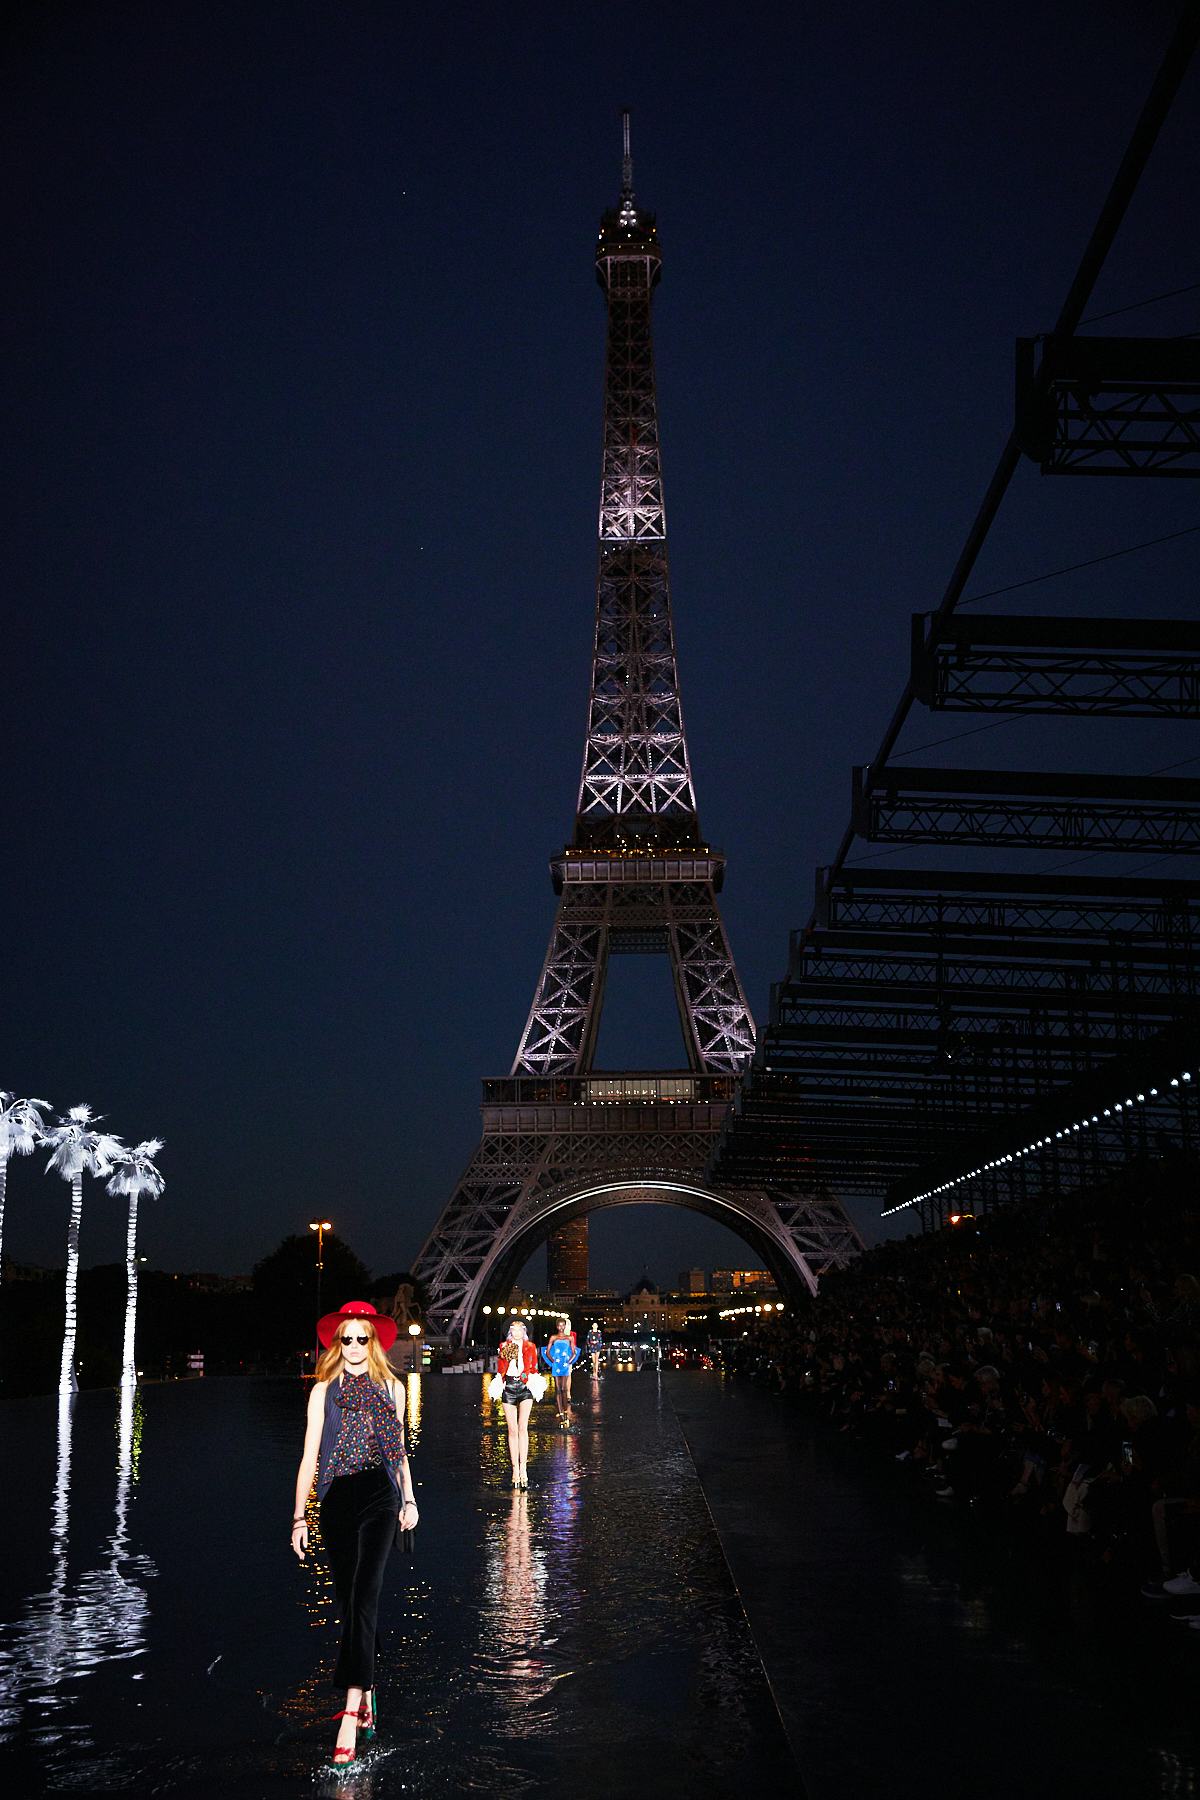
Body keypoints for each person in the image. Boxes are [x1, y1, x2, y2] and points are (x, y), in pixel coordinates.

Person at [291, 1300, 419, 1768]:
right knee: (348, 1602)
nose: (354, 1345)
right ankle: (367, 1688)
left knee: (366, 1595)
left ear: (375, 1341)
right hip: (336, 1498)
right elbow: (309, 1457)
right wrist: (299, 1518)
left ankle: (349, 1712)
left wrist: (409, 1499)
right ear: (336, 1343)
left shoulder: (392, 1389)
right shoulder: (323, 1391)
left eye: (362, 1337)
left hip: (379, 1495)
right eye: (346, 1338)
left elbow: (397, 1451)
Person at [497, 1318, 539, 1488]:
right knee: (512, 1430)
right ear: (510, 1332)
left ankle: (523, 1468)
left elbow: (534, 1367)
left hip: (525, 1386)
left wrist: (528, 1377)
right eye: (513, 1329)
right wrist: (505, 1356)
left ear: (524, 1331)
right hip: (509, 1386)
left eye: (520, 1328)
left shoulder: (531, 1347)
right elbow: (501, 1368)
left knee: (523, 1427)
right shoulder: (504, 1346)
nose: (517, 1332)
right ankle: (515, 1469)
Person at [541, 1318, 581, 1426]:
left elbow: (574, 1352)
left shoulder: (570, 1338)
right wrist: (553, 1361)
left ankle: (565, 1410)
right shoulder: (553, 1337)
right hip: (556, 1365)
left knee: (564, 1388)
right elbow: (547, 1351)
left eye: (563, 1325)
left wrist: (569, 1361)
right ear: (557, 1326)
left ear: (565, 1326)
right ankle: (561, 1412)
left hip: (565, 1365)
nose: (561, 1327)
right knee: (558, 1389)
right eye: (559, 1325)